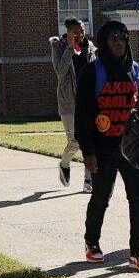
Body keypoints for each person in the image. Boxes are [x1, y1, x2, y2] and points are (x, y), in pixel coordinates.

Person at [74, 20, 139, 269]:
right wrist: (88, 152)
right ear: (105, 42)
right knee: (101, 196)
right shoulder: (92, 72)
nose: (119, 42)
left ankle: (138, 251)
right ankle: (91, 242)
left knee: (138, 197)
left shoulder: (137, 71)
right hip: (103, 148)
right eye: (113, 38)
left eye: (123, 38)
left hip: (133, 149)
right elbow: (82, 115)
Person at [49, 18, 95, 191]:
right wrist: (69, 48)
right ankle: (64, 164)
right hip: (68, 102)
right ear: (68, 32)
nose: (80, 34)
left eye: (82, 30)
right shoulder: (58, 47)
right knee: (74, 141)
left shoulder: (90, 48)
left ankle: (88, 180)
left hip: (89, 102)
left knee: (89, 141)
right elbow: (60, 72)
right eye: (75, 31)